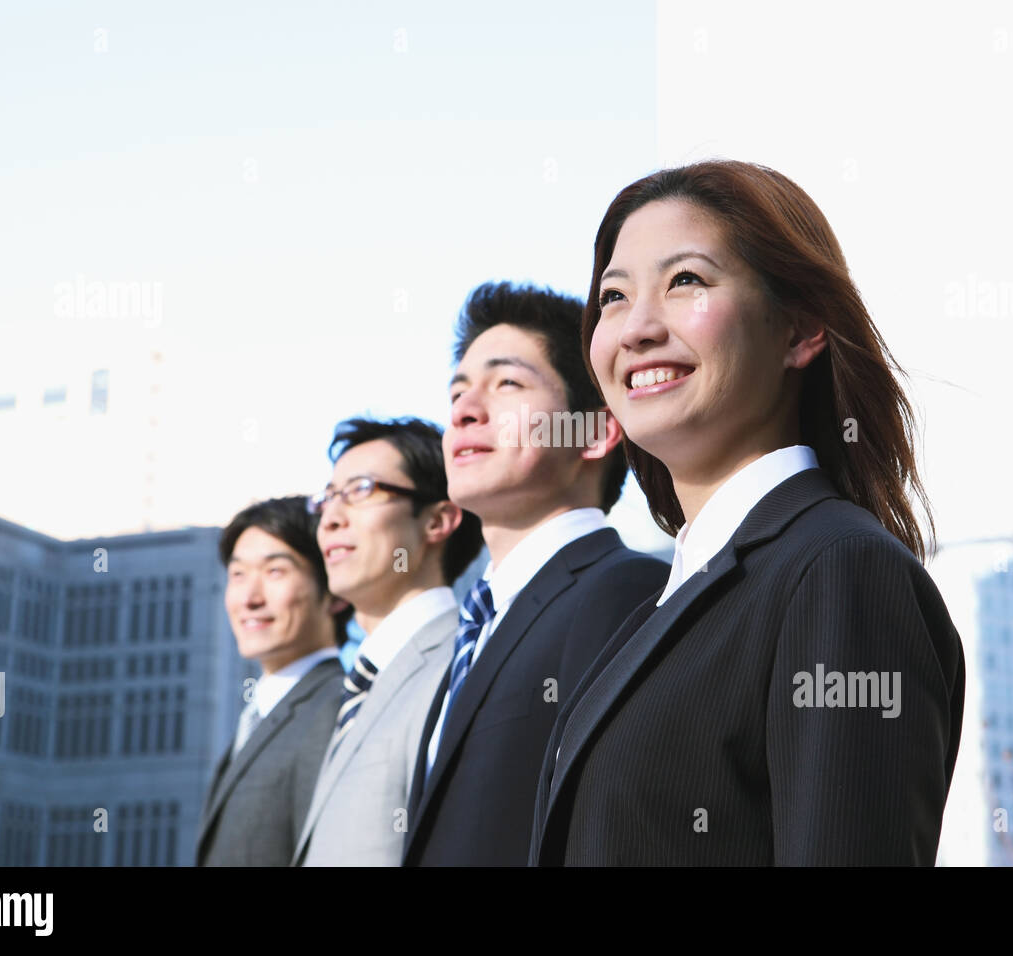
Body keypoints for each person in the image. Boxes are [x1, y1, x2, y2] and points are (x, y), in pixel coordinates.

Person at [530, 160, 966, 866]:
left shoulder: (839, 573)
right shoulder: (666, 606)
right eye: (613, 296)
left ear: (800, 329)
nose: (636, 327)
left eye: (686, 282)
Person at [401, 281, 669, 866]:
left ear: (595, 431)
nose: (466, 410)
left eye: (507, 383)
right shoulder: (472, 633)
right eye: (457, 392)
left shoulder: (625, 592)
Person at [293, 417, 483, 866]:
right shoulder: (355, 687)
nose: (331, 519)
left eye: (360, 490)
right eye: (327, 499)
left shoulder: (465, 665)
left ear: (438, 520)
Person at [196, 496, 348, 866]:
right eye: (238, 574)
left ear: (333, 592)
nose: (249, 598)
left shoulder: (337, 709)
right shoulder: (258, 715)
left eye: (275, 571)